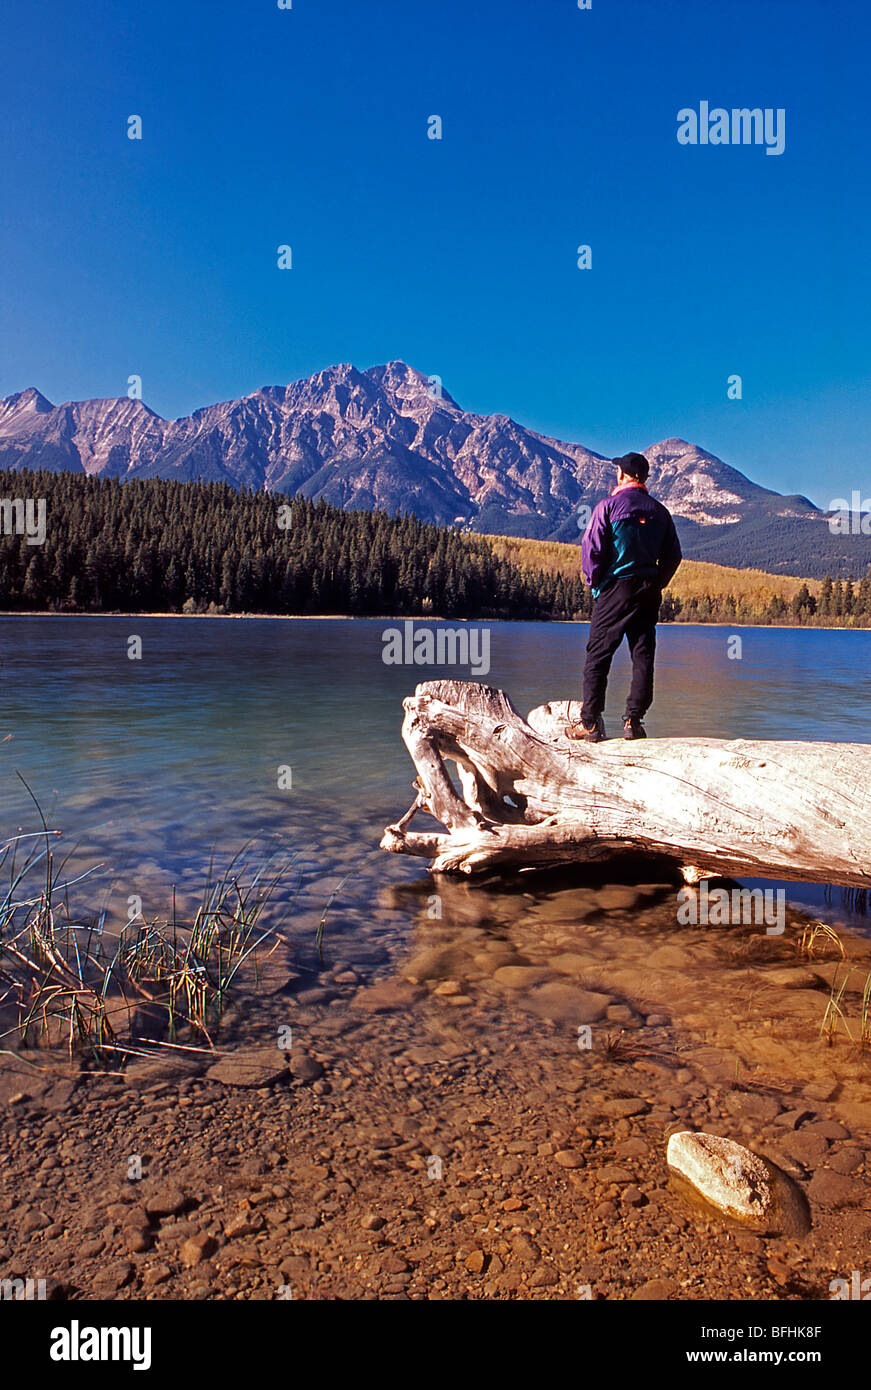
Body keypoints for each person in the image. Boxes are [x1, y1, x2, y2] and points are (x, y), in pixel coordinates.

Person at [565, 452, 682, 743]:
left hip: (616, 588)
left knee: (598, 654)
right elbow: (674, 556)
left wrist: (597, 585)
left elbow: (591, 550)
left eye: (617, 469)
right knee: (642, 655)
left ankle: (590, 724)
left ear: (622, 475)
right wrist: (658, 583)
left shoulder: (607, 506)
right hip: (648, 589)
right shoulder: (661, 511)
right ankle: (634, 721)